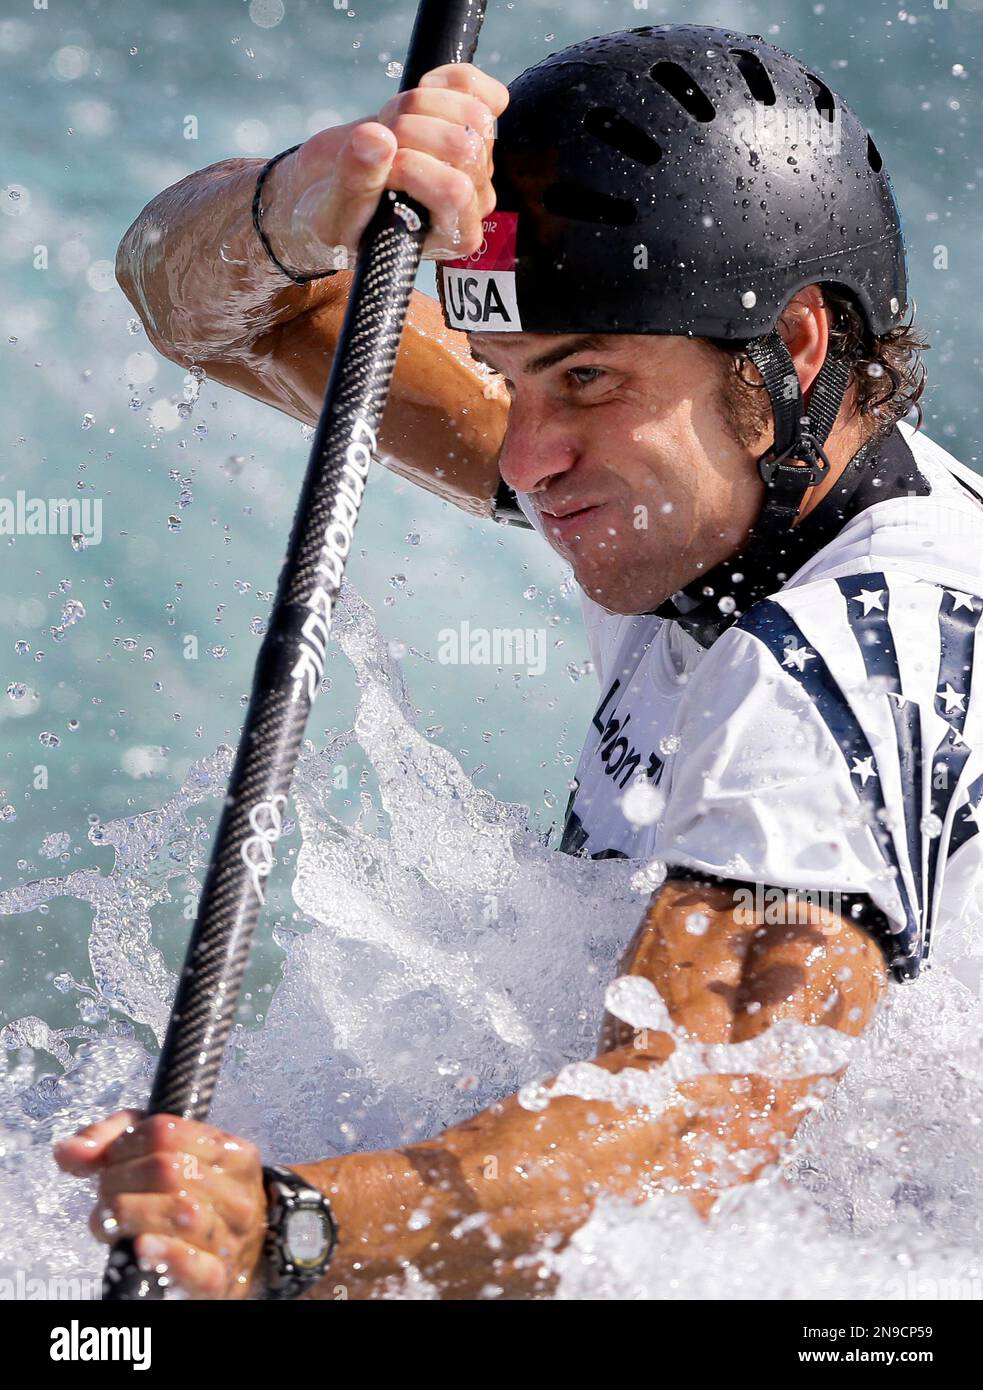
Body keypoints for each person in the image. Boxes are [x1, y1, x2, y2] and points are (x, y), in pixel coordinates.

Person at [55, 25, 983, 1300]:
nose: (526, 455)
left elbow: (698, 1144)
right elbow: (202, 309)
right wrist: (303, 199)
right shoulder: (710, 492)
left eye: (585, 378)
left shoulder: (846, 652)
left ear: (795, 346)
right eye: (504, 375)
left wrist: (287, 1232)